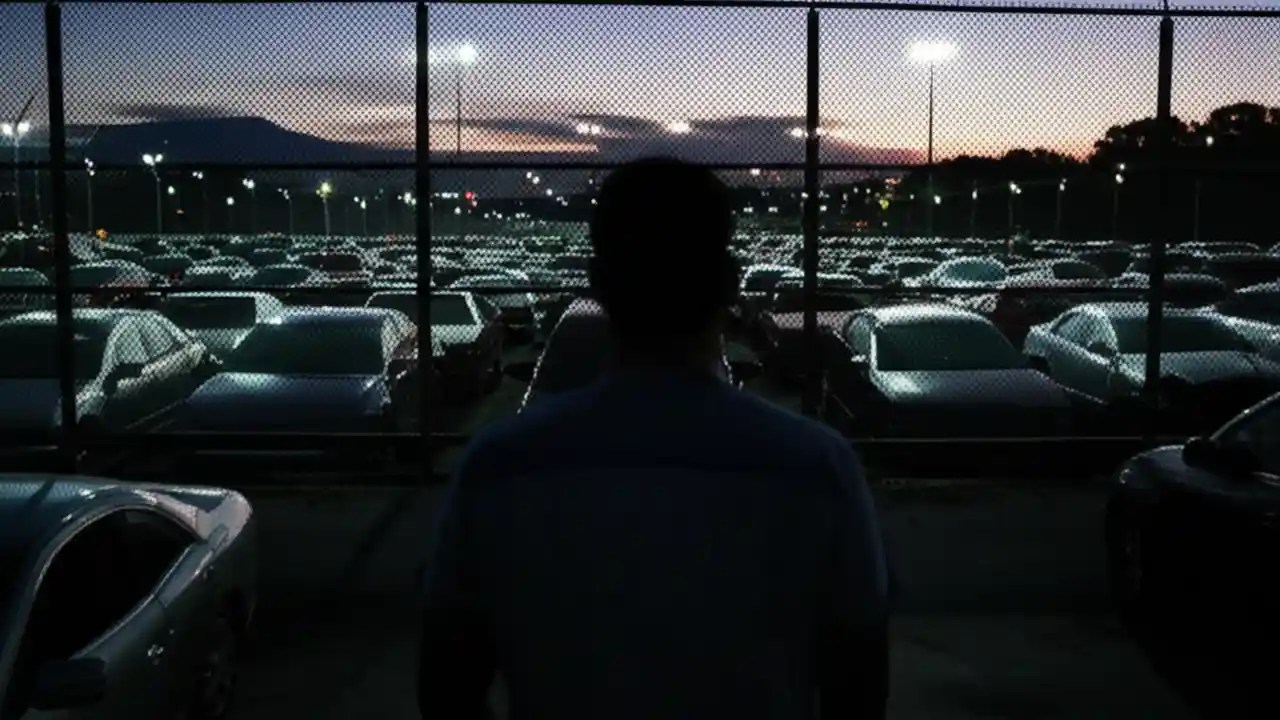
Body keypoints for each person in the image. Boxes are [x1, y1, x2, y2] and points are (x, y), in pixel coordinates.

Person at [419, 158, 889, 720]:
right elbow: (858, 686)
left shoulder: (499, 469)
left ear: (597, 283)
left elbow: (447, 686)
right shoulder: (818, 470)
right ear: (730, 282)